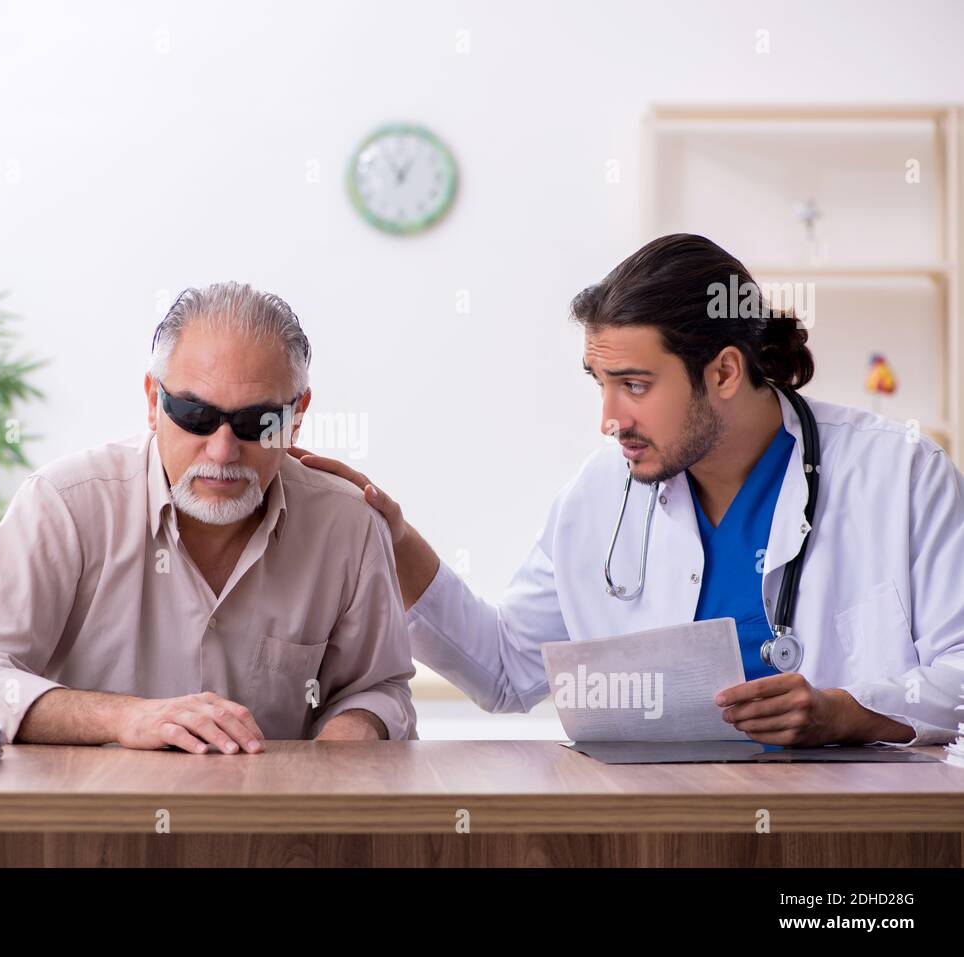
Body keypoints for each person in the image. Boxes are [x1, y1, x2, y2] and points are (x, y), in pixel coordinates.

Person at [295, 234, 964, 746]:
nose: (610, 419)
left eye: (635, 385)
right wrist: (395, 539)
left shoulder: (898, 474)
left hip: (849, 835)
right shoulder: (602, 492)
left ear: (725, 371)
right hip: (661, 829)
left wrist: (846, 711)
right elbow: (506, 670)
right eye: (601, 382)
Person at [0, 281, 416, 751]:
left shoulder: (347, 525)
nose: (222, 453)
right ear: (154, 402)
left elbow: (381, 690)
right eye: (196, 416)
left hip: (275, 831)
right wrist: (123, 718)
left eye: (256, 423)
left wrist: (349, 735)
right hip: (91, 830)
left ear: (298, 415)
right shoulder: (65, 505)